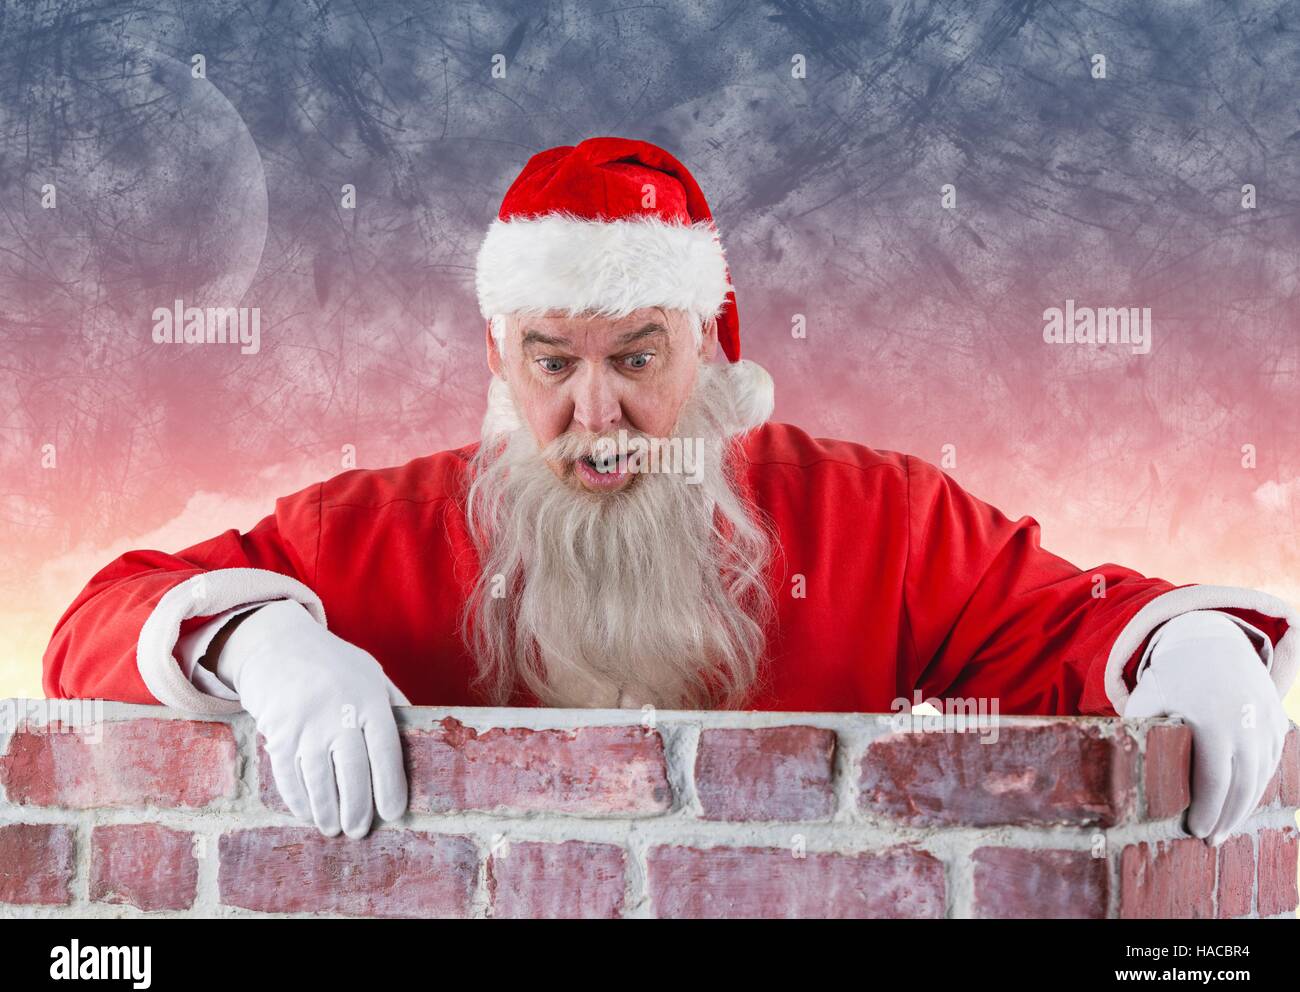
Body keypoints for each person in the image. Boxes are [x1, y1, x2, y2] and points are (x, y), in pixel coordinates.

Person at [44, 137, 1296, 847]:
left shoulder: (875, 519)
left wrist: (1190, 638)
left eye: (636, 358)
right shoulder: (381, 532)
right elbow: (101, 617)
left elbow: (1066, 621)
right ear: (497, 358)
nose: (597, 417)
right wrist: (255, 639)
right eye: (552, 364)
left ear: (708, 341)